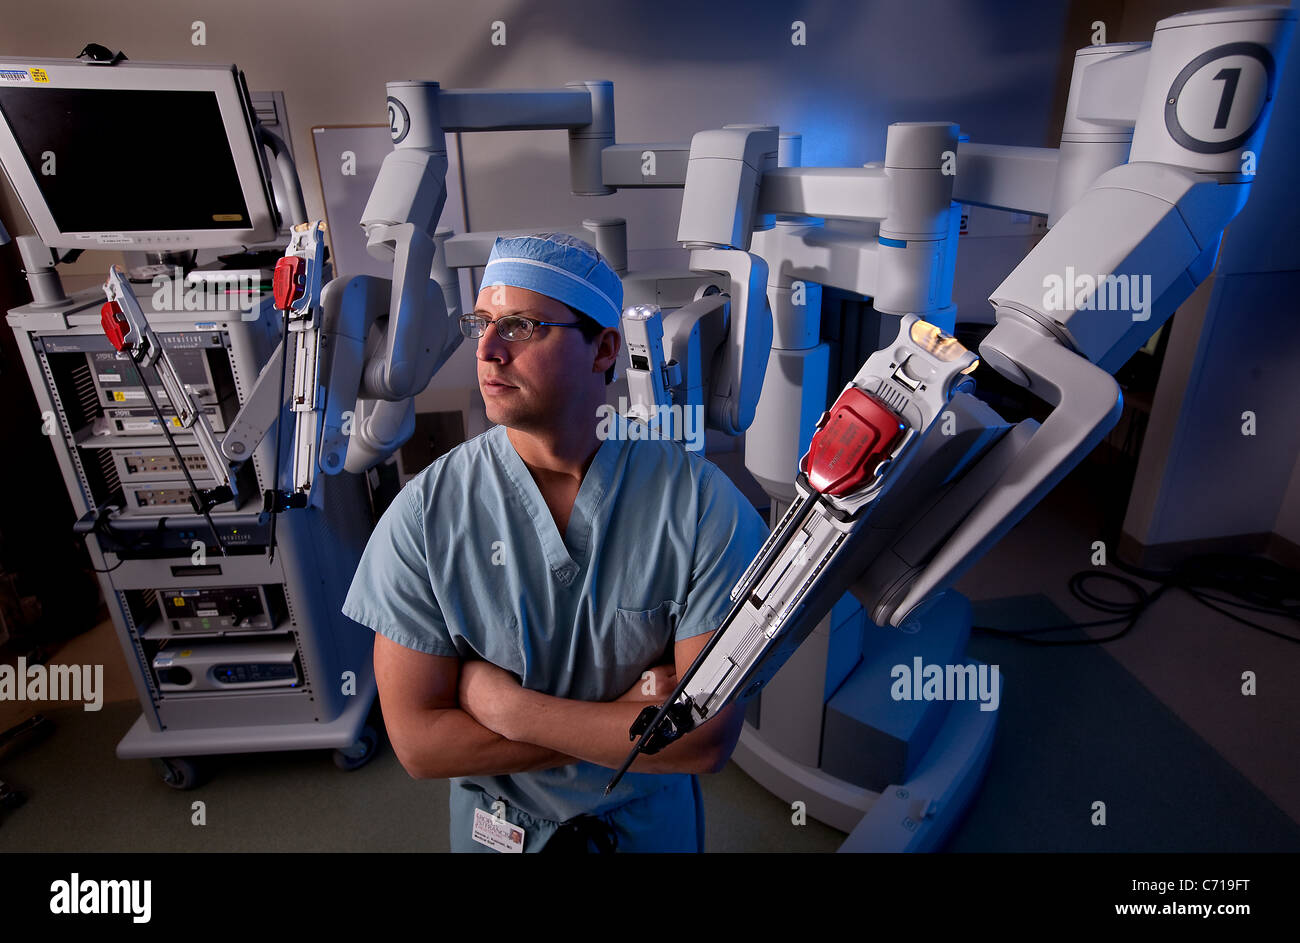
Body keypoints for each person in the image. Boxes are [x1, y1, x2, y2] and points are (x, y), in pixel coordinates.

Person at [341, 232, 768, 852]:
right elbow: (419, 746)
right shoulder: (427, 515)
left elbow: (701, 739)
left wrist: (502, 705)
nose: (487, 351)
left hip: (642, 832)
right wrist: (625, 714)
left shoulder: (700, 507)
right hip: (499, 833)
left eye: (520, 327)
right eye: (481, 323)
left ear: (604, 349)